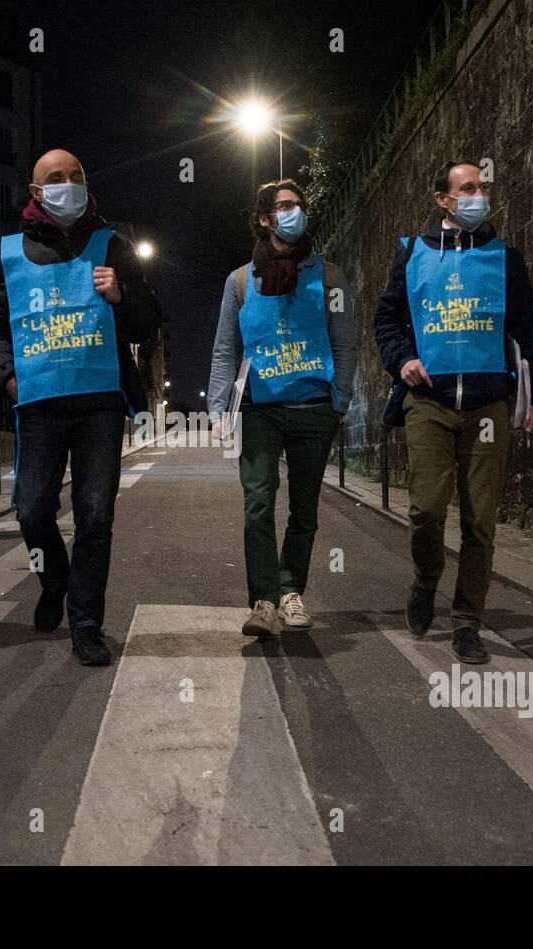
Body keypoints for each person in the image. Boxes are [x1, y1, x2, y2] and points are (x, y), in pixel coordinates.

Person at [0, 149, 161, 666]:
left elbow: (148, 325)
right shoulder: (11, 253)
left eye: (76, 175)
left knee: (95, 516)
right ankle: (52, 578)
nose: (68, 184)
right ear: (36, 193)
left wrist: (122, 295)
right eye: (55, 179)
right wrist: (8, 378)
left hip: (100, 405)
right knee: (32, 508)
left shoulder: (111, 245)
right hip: (38, 406)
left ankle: (86, 624)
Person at [373, 159, 533, 664]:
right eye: (467, 188)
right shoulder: (411, 254)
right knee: (426, 508)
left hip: (488, 406)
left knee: (480, 522)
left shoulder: (505, 259)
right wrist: (400, 359)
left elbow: (526, 332)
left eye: (483, 187)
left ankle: (468, 622)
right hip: (428, 401)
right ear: (443, 200)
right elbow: (387, 321)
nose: (479, 195)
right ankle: (426, 581)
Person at [207, 179, 356, 637]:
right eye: (284, 206)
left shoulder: (330, 276)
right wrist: (218, 409)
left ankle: (292, 591)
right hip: (259, 408)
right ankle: (264, 601)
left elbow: (345, 341)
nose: (295, 212)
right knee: (257, 503)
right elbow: (224, 349)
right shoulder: (239, 281)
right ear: (266, 219)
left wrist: (339, 401)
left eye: (299, 205)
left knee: (305, 508)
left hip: (314, 408)